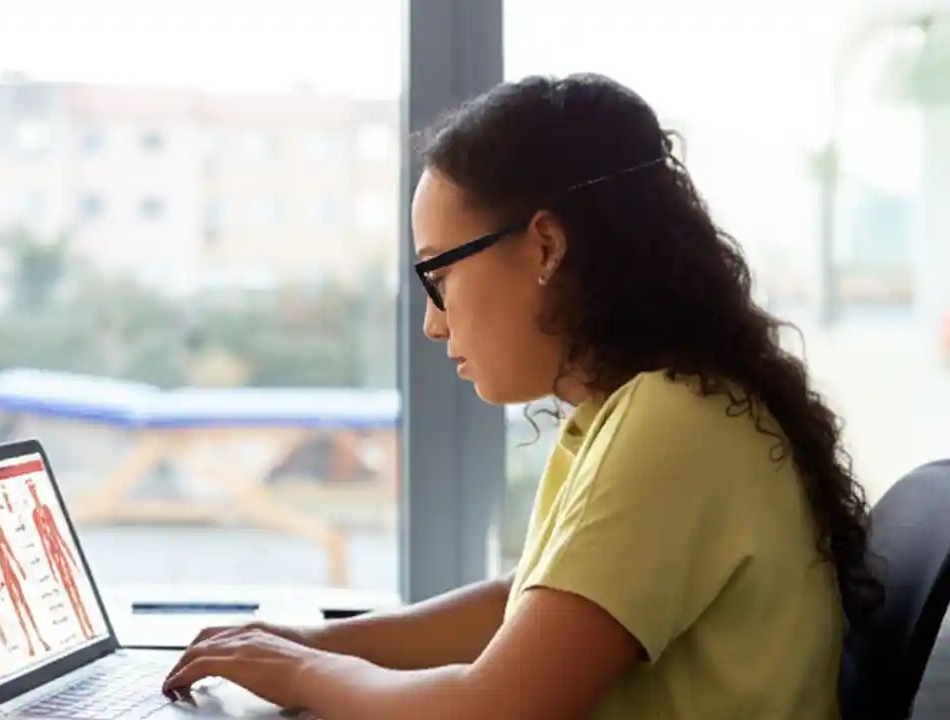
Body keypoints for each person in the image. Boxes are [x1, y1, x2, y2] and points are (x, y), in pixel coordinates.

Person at [159, 73, 883, 719]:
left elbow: (497, 706)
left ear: (544, 247)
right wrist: (312, 643)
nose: (433, 323)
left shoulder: (675, 424)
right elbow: (529, 607)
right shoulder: (637, 409)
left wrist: (302, 671)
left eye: (438, 276)